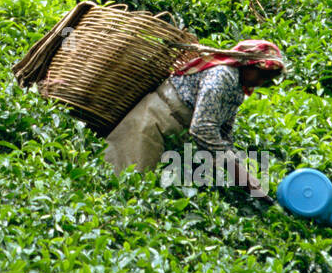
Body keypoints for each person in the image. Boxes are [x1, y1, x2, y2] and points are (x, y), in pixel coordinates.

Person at [103, 40, 288, 190]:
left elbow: (223, 133)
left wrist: (238, 171)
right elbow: (202, 129)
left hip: (171, 130)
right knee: (119, 181)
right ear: (248, 64)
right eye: (261, 74)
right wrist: (241, 175)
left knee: (141, 187)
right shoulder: (221, 77)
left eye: (267, 79)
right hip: (153, 121)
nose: (261, 81)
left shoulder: (237, 89)